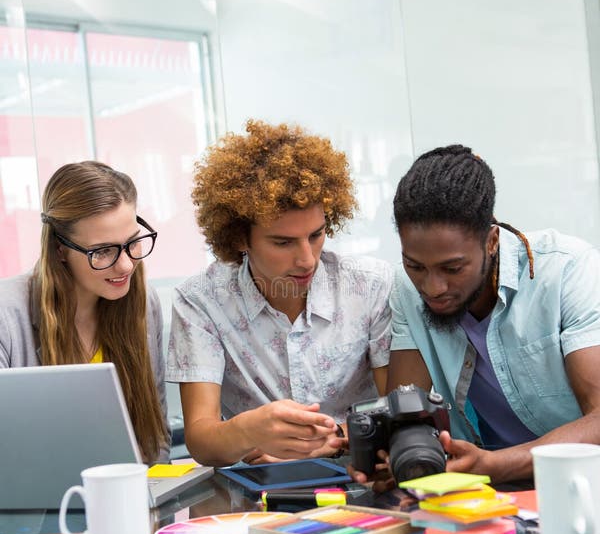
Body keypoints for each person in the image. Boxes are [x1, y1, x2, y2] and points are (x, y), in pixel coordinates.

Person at [167, 119, 392, 466]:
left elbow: (401, 410)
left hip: (363, 477)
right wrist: (249, 431)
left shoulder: (370, 285)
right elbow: (201, 439)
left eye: (316, 235)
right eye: (283, 242)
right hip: (259, 495)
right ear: (239, 238)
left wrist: (334, 438)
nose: (306, 259)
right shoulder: (200, 301)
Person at [379, 143, 600, 485]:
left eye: (452, 268)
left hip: (582, 482)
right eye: (415, 265)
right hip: (491, 491)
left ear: (492, 241)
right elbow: (406, 407)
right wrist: (392, 454)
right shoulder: (405, 288)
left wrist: (494, 465)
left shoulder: (567, 270)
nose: (433, 286)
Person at [0, 160, 169, 464]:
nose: (126, 265)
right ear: (59, 250)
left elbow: (155, 443)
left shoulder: (144, 302)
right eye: (103, 251)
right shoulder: (7, 316)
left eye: (133, 243)